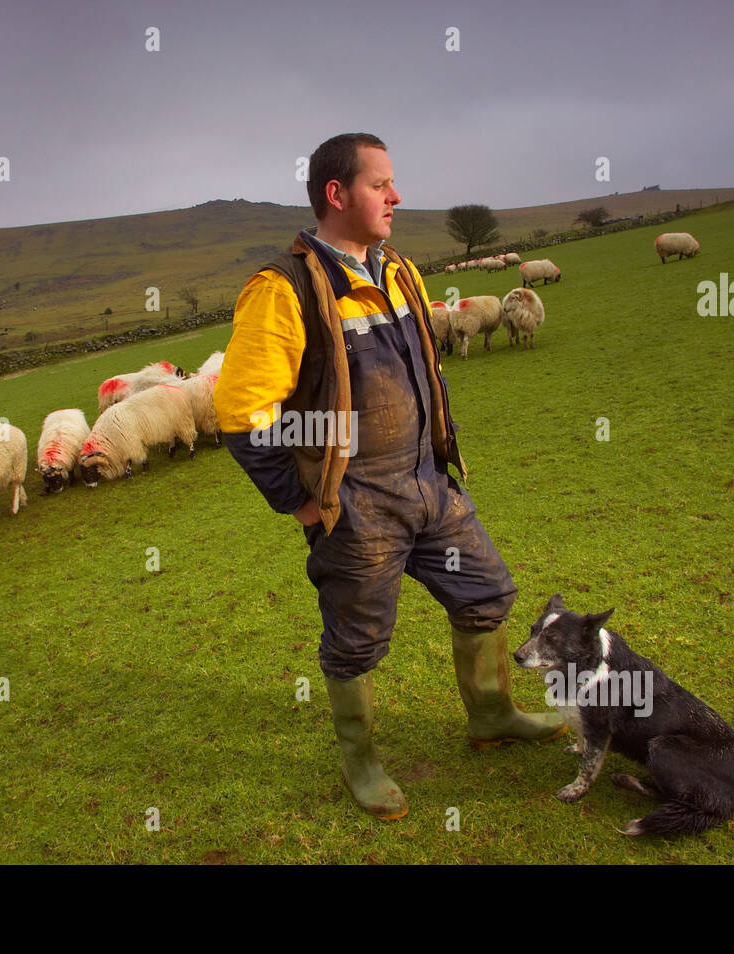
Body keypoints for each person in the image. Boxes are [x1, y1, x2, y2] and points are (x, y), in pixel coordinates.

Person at [212, 133, 564, 821]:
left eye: (393, 184)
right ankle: (362, 762)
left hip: (429, 484)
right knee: (358, 640)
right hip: (355, 503)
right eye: (381, 185)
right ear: (336, 194)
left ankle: (491, 716)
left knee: (487, 592)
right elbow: (242, 417)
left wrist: (441, 458)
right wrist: (304, 506)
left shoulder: (398, 269)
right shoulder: (281, 290)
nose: (397, 196)